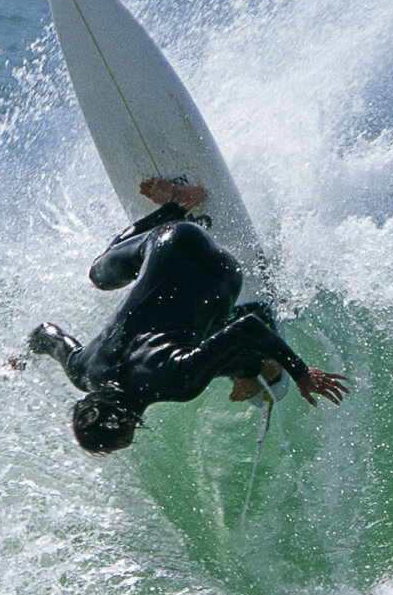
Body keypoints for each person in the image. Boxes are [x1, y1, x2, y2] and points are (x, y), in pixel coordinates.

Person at [27, 177, 347, 453]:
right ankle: (178, 205)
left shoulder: (174, 381)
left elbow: (248, 328)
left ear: (126, 432)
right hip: (172, 236)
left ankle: (259, 366)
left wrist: (301, 373)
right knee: (98, 274)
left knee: (203, 353)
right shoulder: (84, 371)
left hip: (221, 272)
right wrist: (22, 357)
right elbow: (45, 333)